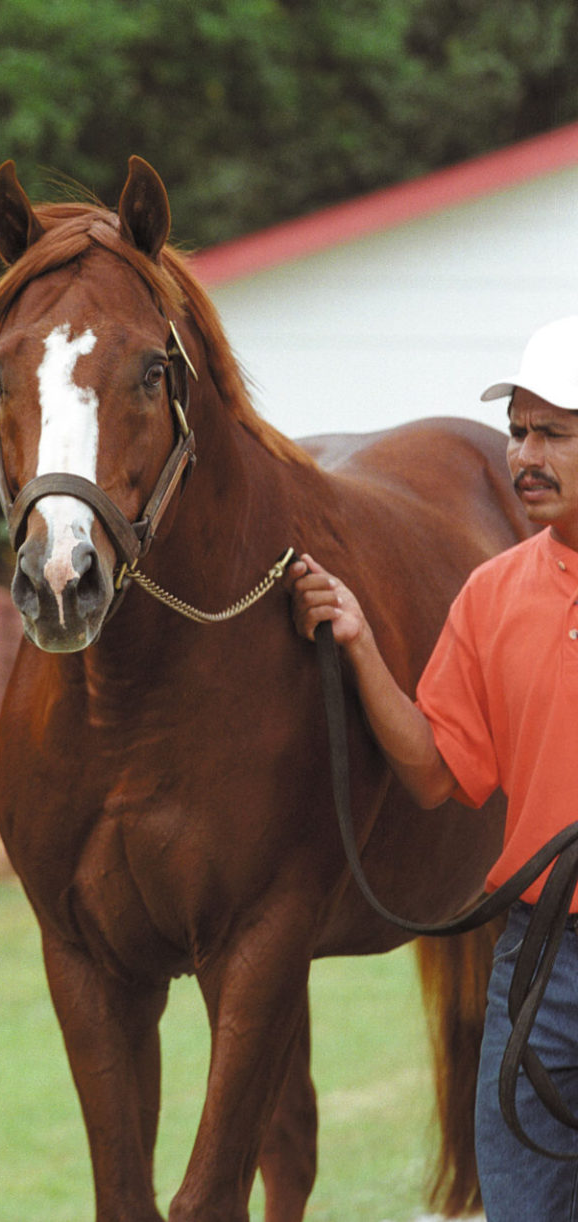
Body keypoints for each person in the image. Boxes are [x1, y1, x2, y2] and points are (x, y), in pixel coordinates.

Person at [285, 316, 578, 1221]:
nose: (525, 456)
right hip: (539, 961)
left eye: (554, 433)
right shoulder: (492, 593)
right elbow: (434, 772)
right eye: (517, 431)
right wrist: (360, 643)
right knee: (522, 1203)